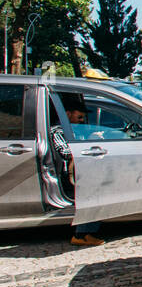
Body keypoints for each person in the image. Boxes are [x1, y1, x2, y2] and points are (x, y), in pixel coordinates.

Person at [50, 101, 104, 247]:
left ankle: (86, 232)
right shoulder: (58, 131)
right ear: (68, 114)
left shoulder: (70, 130)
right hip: (68, 175)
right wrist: (91, 140)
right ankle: (82, 234)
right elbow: (66, 152)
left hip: (77, 171)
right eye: (79, 117)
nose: (81, 121)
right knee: (92, 194)